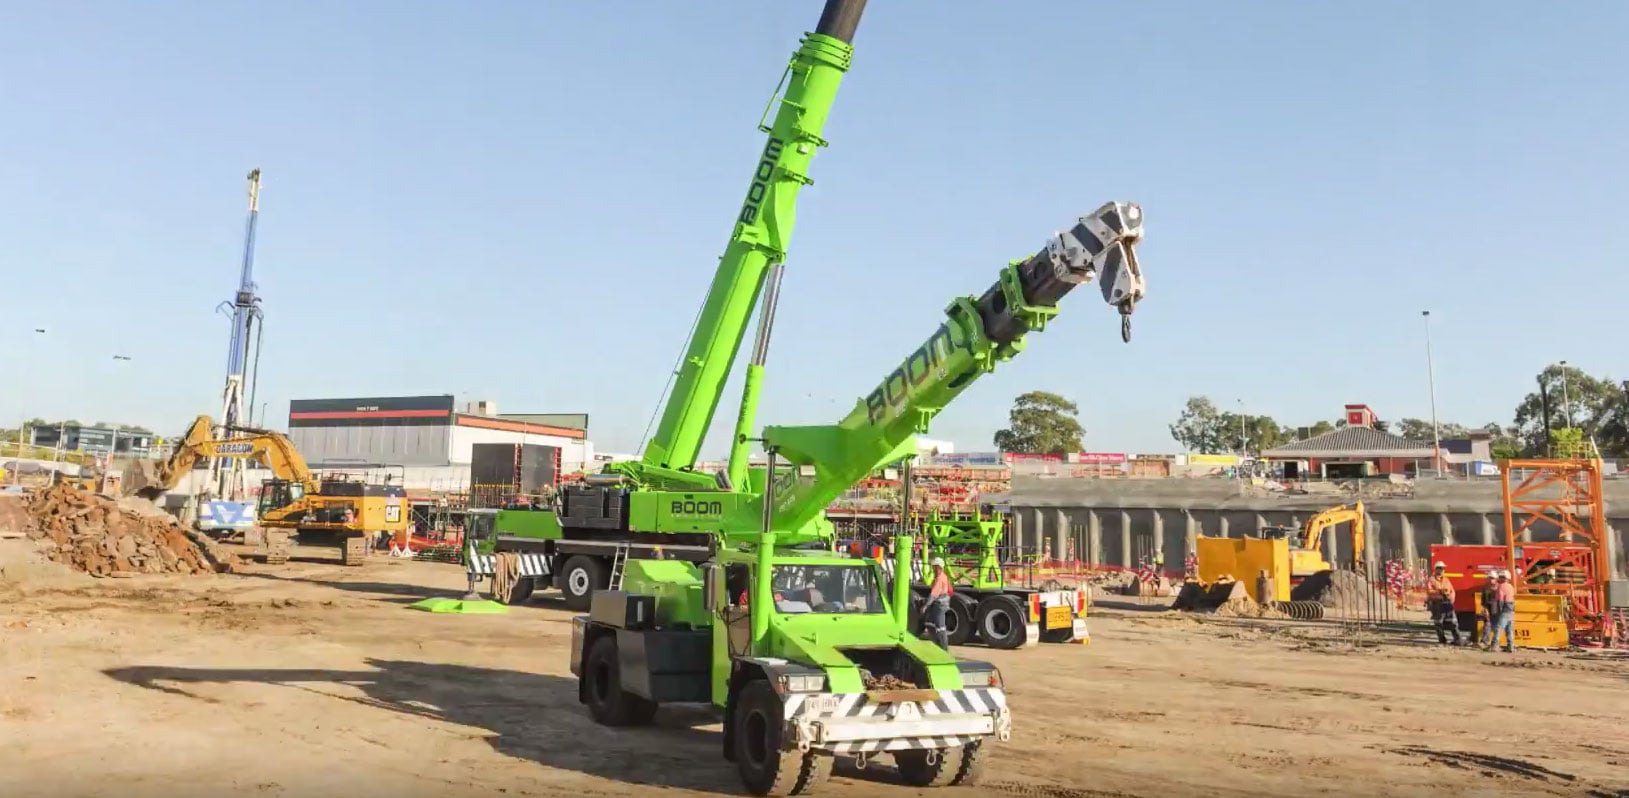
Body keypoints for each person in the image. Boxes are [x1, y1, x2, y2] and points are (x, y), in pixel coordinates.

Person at [1426, 561, 1462, 646]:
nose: (1443, 570)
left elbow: (1452, 590)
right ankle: (1442, 639)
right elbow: (1429, 591)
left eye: (1443, 568)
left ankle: (1457, 640)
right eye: (1441, 568)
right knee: (1438, 622)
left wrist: (1451, 599)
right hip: (1437, 603)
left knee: (1453, 622)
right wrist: (1439, 592)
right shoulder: (1431, 580)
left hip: (1447, 603)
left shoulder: (1446, 580)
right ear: (1436, 569)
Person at [923, 557, 954, 650]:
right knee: (930, 623)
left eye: (934, 566)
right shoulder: (943, 576)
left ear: (938, 567)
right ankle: (937, 645)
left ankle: (943, 649)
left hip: (939, 604)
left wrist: (925, 606)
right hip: (941, 603)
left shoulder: (940, 579)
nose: (933, 568)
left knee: (940, 627)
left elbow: (934, 594)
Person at [1487, 571, 1517, 652]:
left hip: (1504, 610)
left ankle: (1494, 645)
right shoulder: (1511, 587)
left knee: (1498, 628)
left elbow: (1500, 599)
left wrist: (1498, 611)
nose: (1499, 578)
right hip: (1511, 610)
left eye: (1501, 577)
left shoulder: (1500, 587)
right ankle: (1510, 646)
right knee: (1509, 629)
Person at [1479, 570, 1502, 648]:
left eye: (1492, 578)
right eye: (1489, 578)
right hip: (1488, 608)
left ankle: (1495, 643)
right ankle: (1484, 641)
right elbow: (1483, 600)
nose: (1491, 580)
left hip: (1497, 608)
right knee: (1487, 624)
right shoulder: (1485, 588)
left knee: (1496, 626)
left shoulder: (1499, 587)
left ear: (1496, 579)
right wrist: (1485, 609)